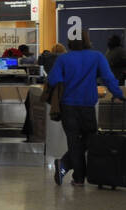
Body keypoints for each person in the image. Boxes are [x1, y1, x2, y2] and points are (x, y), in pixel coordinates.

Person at [49, 38, 124, 186]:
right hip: (87, 106)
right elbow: (108, 78)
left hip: (68, 106)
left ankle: (73, 173)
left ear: (70, 44)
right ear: (88, 43)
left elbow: (53, 79)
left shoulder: (63, 58)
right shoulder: (97, 56)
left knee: (74, 141)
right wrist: (118, 94)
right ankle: (68, 169)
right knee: (89, 140)